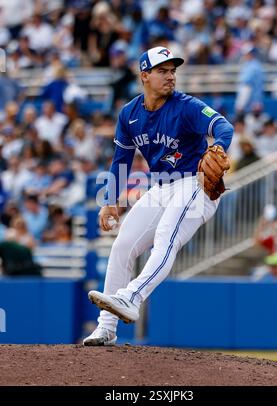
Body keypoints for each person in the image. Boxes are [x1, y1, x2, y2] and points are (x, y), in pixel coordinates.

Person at [83, 46, 233, 346]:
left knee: (167, 236)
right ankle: (107, 328)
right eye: (162, 71)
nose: (170, 76)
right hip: (162, 187)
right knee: (122, 246)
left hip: (196, 185)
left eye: (173, 70)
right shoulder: (129, 114)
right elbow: (120, 160)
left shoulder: (186, 106)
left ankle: (132, 297)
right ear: (144, 76)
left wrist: (218, 146)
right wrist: (111, 201)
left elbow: (222, 126)